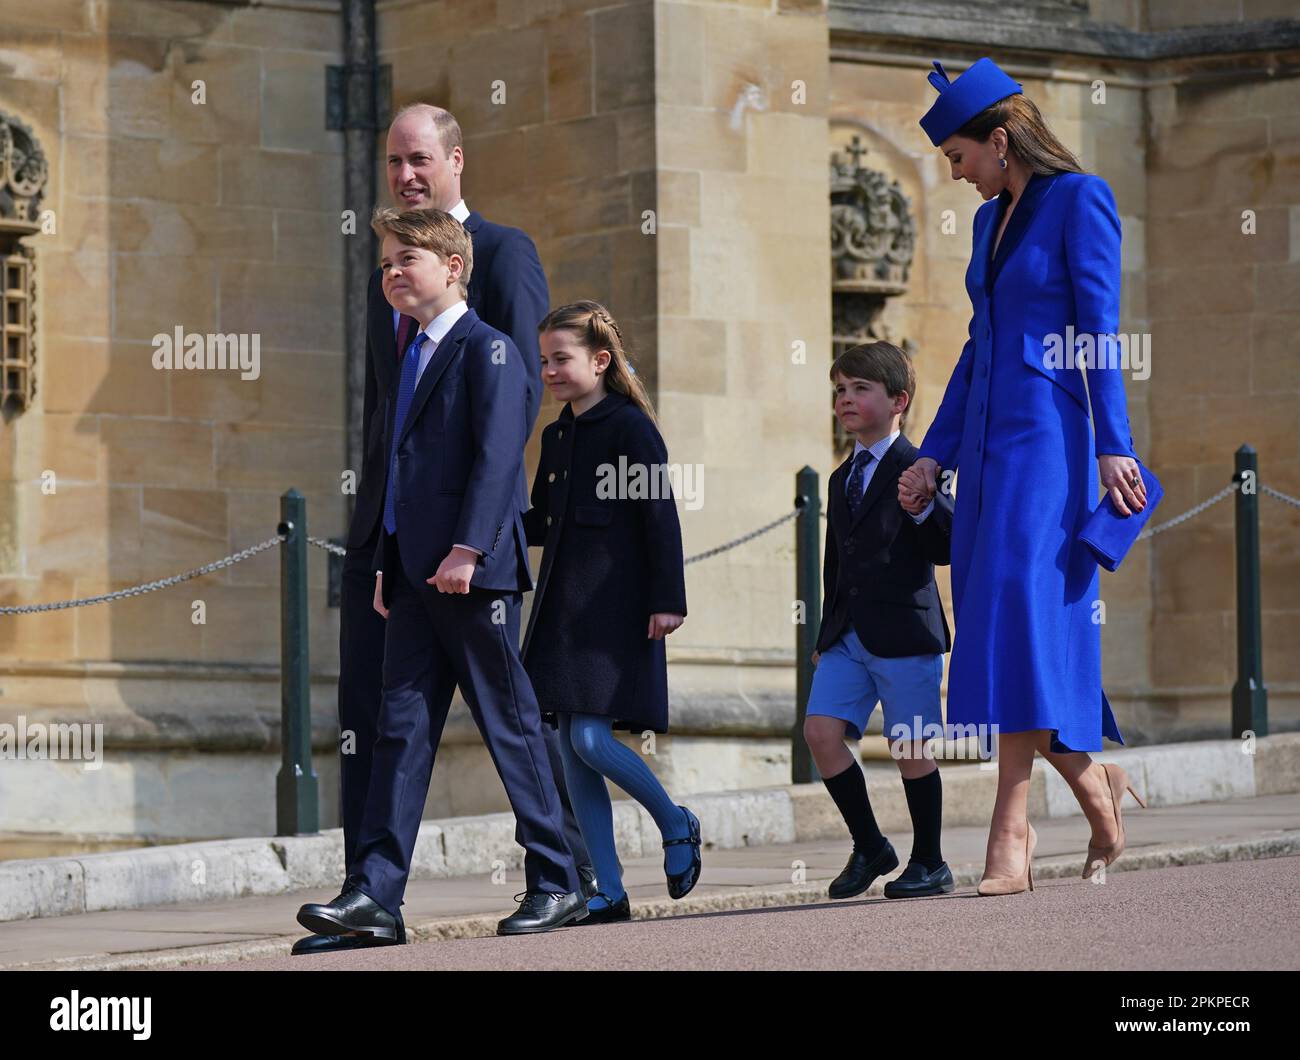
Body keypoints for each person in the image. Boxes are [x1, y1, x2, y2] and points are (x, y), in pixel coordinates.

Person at [303, 103, 592, 955]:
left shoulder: (491, 333)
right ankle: (375, 895)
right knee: (398, 729)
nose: (393, 271)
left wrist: (471, 544)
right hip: (407, 563)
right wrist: (386, 553)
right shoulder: (412, 335)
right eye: (388, 259)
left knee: (509, 723)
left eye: (408, 259)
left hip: (471, 565)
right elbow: (391, 438)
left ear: (455, 267)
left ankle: (558, 879)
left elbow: (504, 440)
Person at [900, 58, 1148, 896]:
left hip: (1051, 442)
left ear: (1000, 142)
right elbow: (980, 343)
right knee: (1001, 622)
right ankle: (1093, 780)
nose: (956, 174)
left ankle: (1012, 828)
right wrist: (933, 451)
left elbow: (1100, 330)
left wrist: (1114, 443)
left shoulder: (1082, 200)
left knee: (1015, 613)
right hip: (988, 444)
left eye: (961, 157)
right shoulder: (985, 225)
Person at [520, 300, 700, 924]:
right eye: (544, 360)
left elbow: (660, 518)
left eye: (561, 359)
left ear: (600, 361)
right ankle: (608, 890)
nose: (550, 371)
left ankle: (675, 821)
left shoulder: (630, 428)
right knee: (571, 752)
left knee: (592, 739)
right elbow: (539, 521)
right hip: (561, 610)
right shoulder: (557, 435)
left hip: (616, 608)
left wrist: (667, 598)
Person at [805, 342, 956, 901]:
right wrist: (826, 634)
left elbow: (945, 546)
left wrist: (923, 505)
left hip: (904, 632)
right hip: (847, 635)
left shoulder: (921, 466)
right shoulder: (839, 477)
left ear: (898, 401)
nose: (845, 398)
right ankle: (870, 845)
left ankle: (930, 861)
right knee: (820, 733)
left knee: (910, 746)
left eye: (859, 388)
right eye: (839, 389)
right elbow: (834, 564)